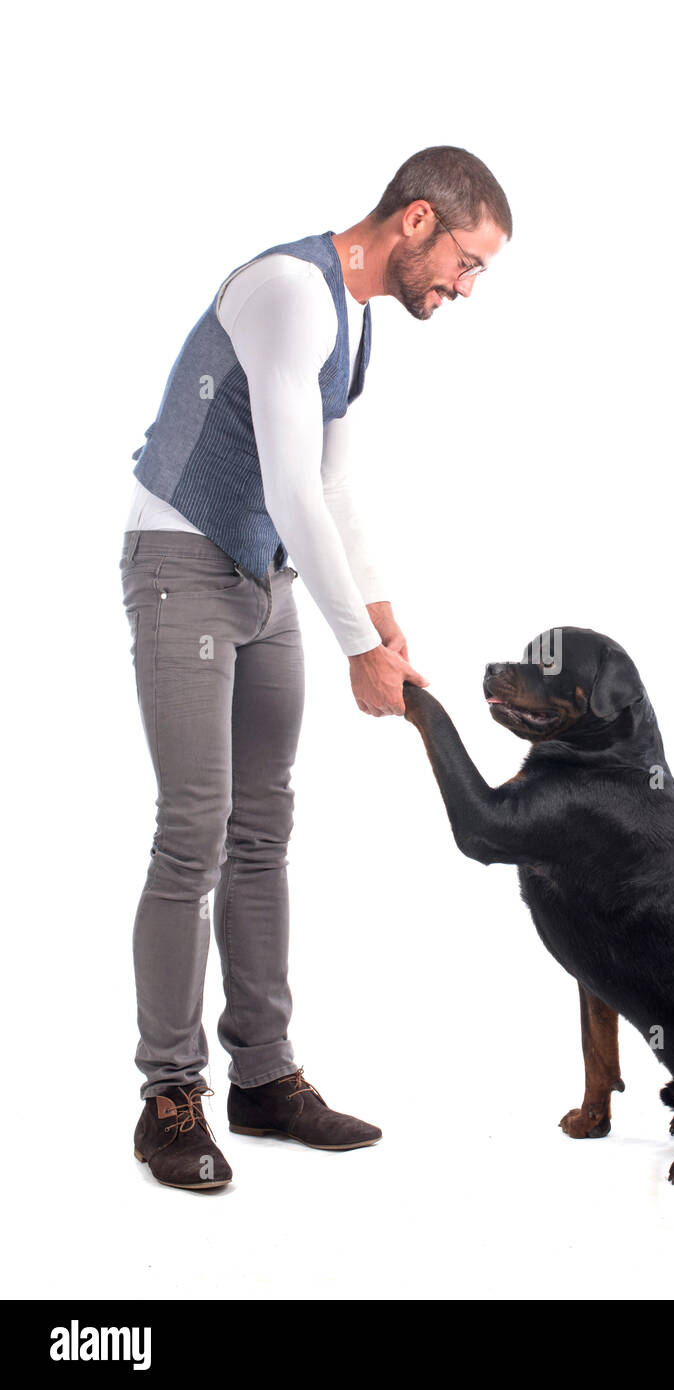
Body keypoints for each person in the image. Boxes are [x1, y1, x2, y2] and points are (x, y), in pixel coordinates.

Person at [121, 146, 512, 1191]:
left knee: (264, 826)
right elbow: (288, 486)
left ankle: (264, 1076)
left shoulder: (357, 325)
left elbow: (333, 495)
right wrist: (353, 649)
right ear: (418, 220)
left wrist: (383, 628)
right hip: (182, 564)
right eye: (467, 264)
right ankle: (169, 1096)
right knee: (194, 828)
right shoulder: (291, 290)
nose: (465, 291)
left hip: (264, 583)